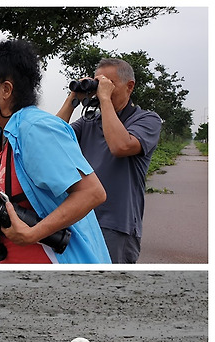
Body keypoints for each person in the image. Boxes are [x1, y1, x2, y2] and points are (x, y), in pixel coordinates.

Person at [0, 39, 111, 264]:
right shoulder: (6, 133)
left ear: (6, 90)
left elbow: (92, 193)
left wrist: (33, 234)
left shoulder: (34, 128)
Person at [57, 58, 162, 263]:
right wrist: (73, 98)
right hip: (80, 218)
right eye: (98, 84)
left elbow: (120, 146)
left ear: (129, 86)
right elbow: (52, 138)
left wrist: (104, 100)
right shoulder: (90, 120)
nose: (101, 90)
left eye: (108, 84)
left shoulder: (147, 120)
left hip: (116, 224)